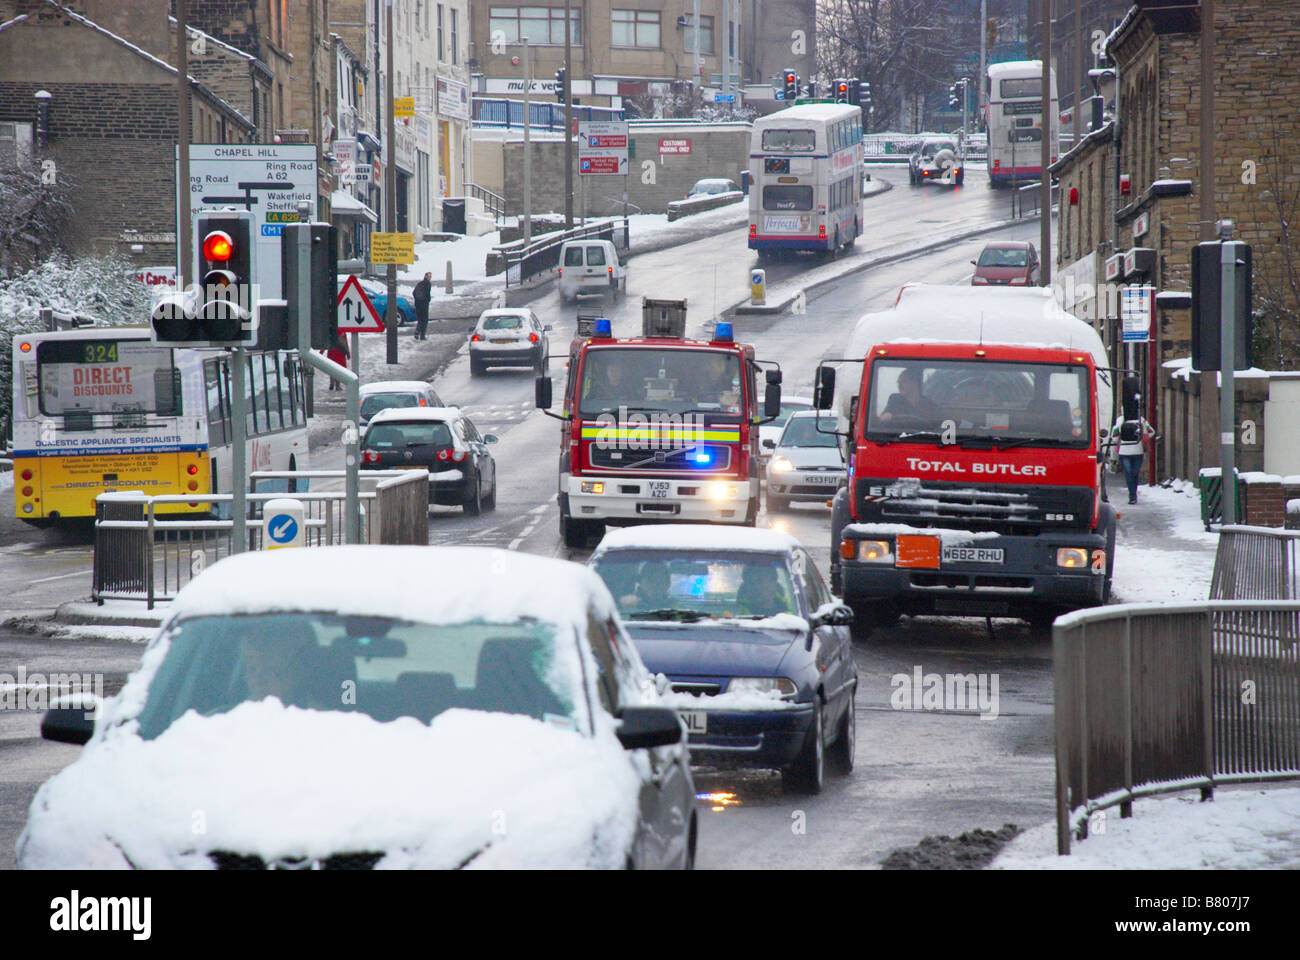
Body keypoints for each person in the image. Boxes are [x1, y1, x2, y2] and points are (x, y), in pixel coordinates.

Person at [1112, 411, 1156, 504]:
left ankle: (1132, 496)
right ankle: (1133, 494)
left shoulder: (1120, 420)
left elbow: (1114, 437)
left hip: (1124, 451)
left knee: (1129, 474)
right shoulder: (1141, 420)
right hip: (1138, 451)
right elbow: (1151, 432)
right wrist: (1141, 438)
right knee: (1135, 474)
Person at [413, 272, 433, 340]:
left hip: (418, 304)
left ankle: (417, 331)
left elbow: (413, 292)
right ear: (426, 276)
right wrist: (427, 299)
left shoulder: (420, 283)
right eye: (429, 276)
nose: (430, 278)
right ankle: (422, 336)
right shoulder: (428, 284)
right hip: (424, 304)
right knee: (424, 320)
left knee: (420, 319)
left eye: (430, 276)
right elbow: (427, 294)